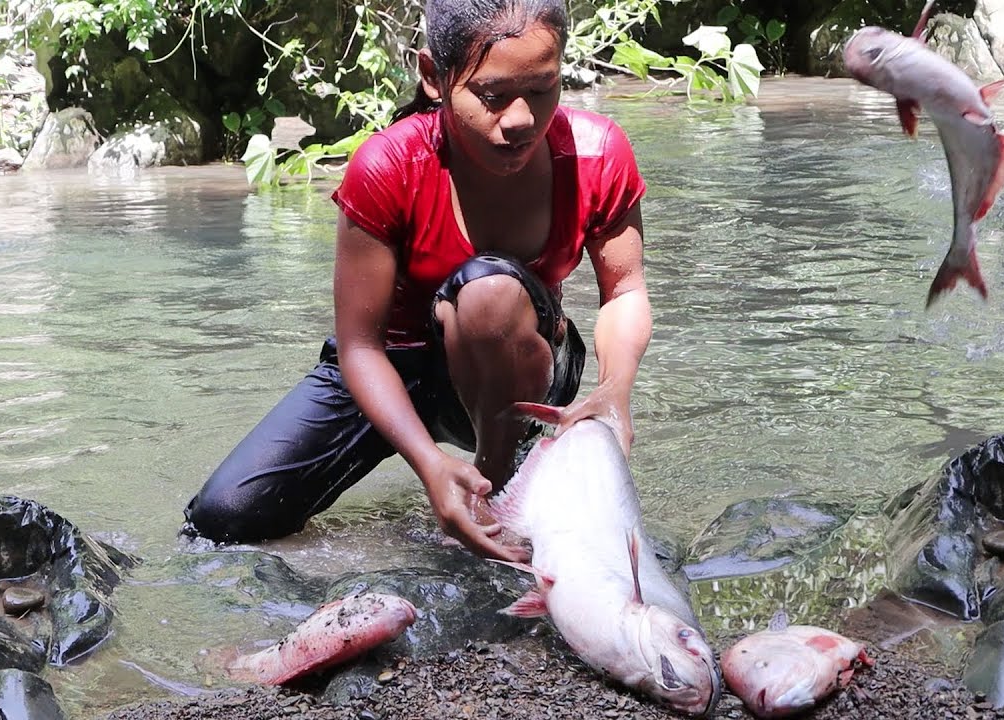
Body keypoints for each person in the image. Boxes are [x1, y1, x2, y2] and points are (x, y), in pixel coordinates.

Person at [183, 0, 652, 562]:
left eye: (543, 88)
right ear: (434, 77)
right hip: (394, 366)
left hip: (519, 359)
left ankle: (493, 493)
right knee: (223, 519)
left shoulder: (598, 152)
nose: (523, 117)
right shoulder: (388, 167)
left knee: (488, 294)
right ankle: (455, 484)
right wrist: (429, 463)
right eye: (494, 95)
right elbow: (359, 348)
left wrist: (614, 392)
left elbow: (625, 293)